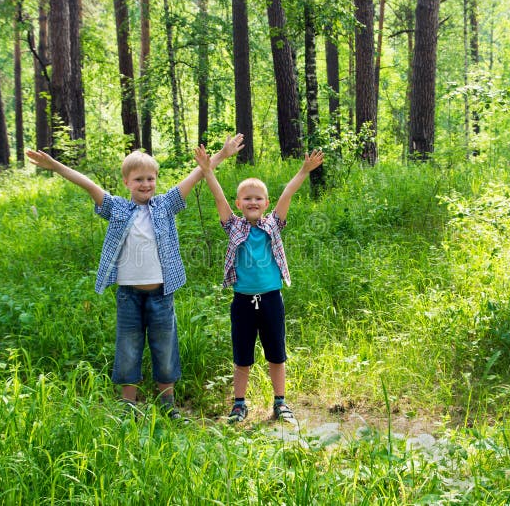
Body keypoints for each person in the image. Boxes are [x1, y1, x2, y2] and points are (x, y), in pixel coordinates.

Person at [26, 134, 244, 420]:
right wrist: (55, 166)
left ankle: (168, 404)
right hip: (129, 295)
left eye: (150, 179)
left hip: (161, 294)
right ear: (126, 182)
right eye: (139, 179)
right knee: (128, 348)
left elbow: (196, 175)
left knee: (165, 347)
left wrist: (222, 155)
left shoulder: (165, 205)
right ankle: (128, 406)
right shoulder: (117, 208)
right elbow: (88, 184)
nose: (146, 184)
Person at [193, 145, 324, 423]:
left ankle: (280, 402)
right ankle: (239, 404)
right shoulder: (233, 226)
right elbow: (218, 196)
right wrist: (207, 170)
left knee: (276, 353)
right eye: (247, 198)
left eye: (258, 198)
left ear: (266, 203)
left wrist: (304, 171)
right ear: (239, 204)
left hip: (271, 299)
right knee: (242, 355)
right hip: (242, 301)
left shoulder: (274, 224)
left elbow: (287, 194)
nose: (253, 202)